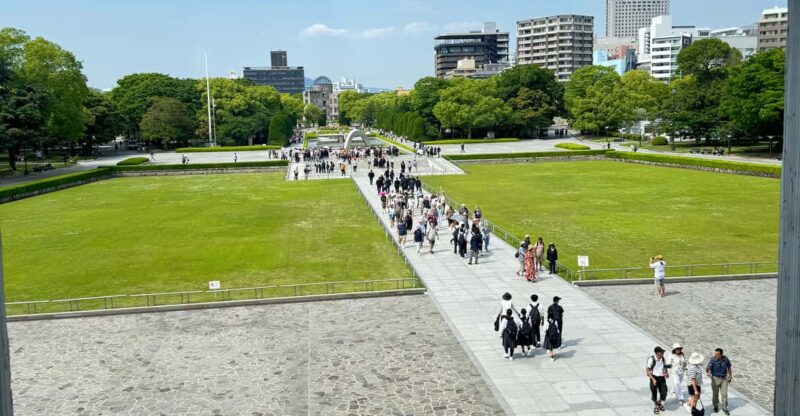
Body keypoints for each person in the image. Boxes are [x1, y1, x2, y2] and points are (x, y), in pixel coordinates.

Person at [706, 348, 733, 415]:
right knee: (715, 394)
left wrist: (730, 376)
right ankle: (715, 406)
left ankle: (724, 407)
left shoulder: (725, 359)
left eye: (717, 354)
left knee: (724, 394)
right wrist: (708, 369)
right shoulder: (712, 359)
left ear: (721, 354)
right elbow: (708, 368)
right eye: (715, 354)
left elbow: (729, 367)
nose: (715, 355)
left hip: (724, 379)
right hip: (715, 378)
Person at [646, 346, 669, 414]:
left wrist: (666, 373)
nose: (663, 353)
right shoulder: (651, 359)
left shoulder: (663, 359)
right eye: (662, 352)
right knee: (654, 392)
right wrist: (653, 379)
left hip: (661, 378)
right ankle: (656, 406)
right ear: (657, 353)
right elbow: (647, 370)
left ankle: (659, 402)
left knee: (664, 392)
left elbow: (665, 367)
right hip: (654, 377)